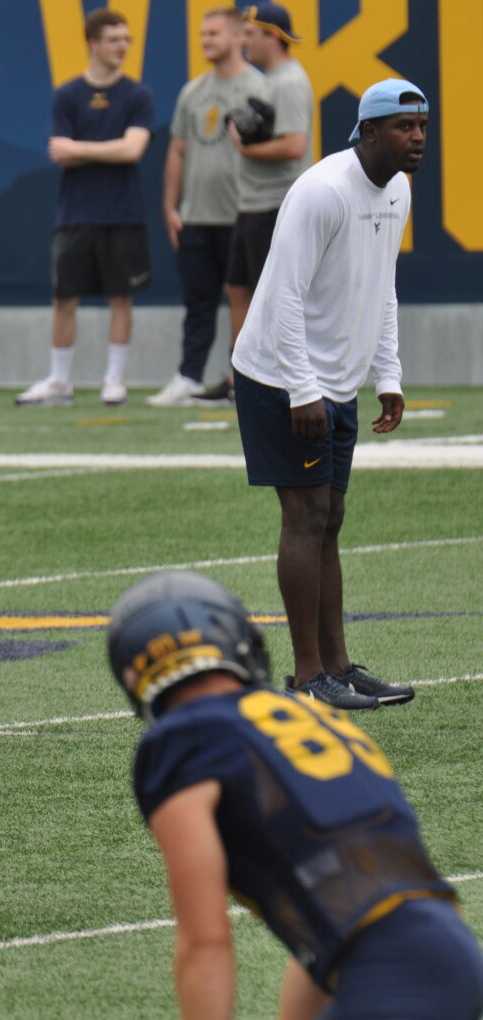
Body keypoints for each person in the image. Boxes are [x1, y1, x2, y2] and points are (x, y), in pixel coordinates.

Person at [107, 571, 483, 1019]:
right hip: (451, 951)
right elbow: (342, 906)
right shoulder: (310, 713)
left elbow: (204, 943)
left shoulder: (180, 741)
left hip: (389, 973)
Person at [231, 79, 430, 710]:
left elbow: (382, 286)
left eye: (423, 125)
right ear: (368, 132)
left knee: (331, 520)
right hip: (280, 378)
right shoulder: (320, 192)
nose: (418, 137)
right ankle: (308, 677)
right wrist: (304, 389)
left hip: (333, 382)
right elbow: (284, 296)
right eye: (404, 127)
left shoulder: (398, 188)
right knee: (306, 517)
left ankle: (338, 666)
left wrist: (388, 373)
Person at [17, 8, 155, 409]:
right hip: (74, 214)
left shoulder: (138, 95)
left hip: (123, 213)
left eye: (126, 40)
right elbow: (59, 154)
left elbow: (133, 149)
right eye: (114, 40)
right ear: (93, 43)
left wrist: (79, 148)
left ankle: (114, 381)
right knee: (64, 299)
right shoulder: (67, 94)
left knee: (121, 298)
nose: (122, 47)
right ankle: (60, 382)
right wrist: (96, 151)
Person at [199, 1, 314, 403]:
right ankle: (239, 380)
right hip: (252, 204)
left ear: (272, 37)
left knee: (273, 294)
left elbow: (294, 145)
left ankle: (276, 379)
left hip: (275, 203)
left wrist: (245, 147)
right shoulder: (271, 80)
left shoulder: (290, 82)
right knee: (237, 288)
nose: (243, 41)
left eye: (250, 34)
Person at [148, 8, 262, 408]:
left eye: (213, 33)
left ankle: (242, 379)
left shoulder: (259, 88)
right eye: (202, 33)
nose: (205, 40)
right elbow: (177, 150)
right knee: (198, 302)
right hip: (196, 216)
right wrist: (170, 204)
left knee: (245, 300)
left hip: (241, 214)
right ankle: (188, 376)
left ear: (237, 37)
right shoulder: (192, 91)